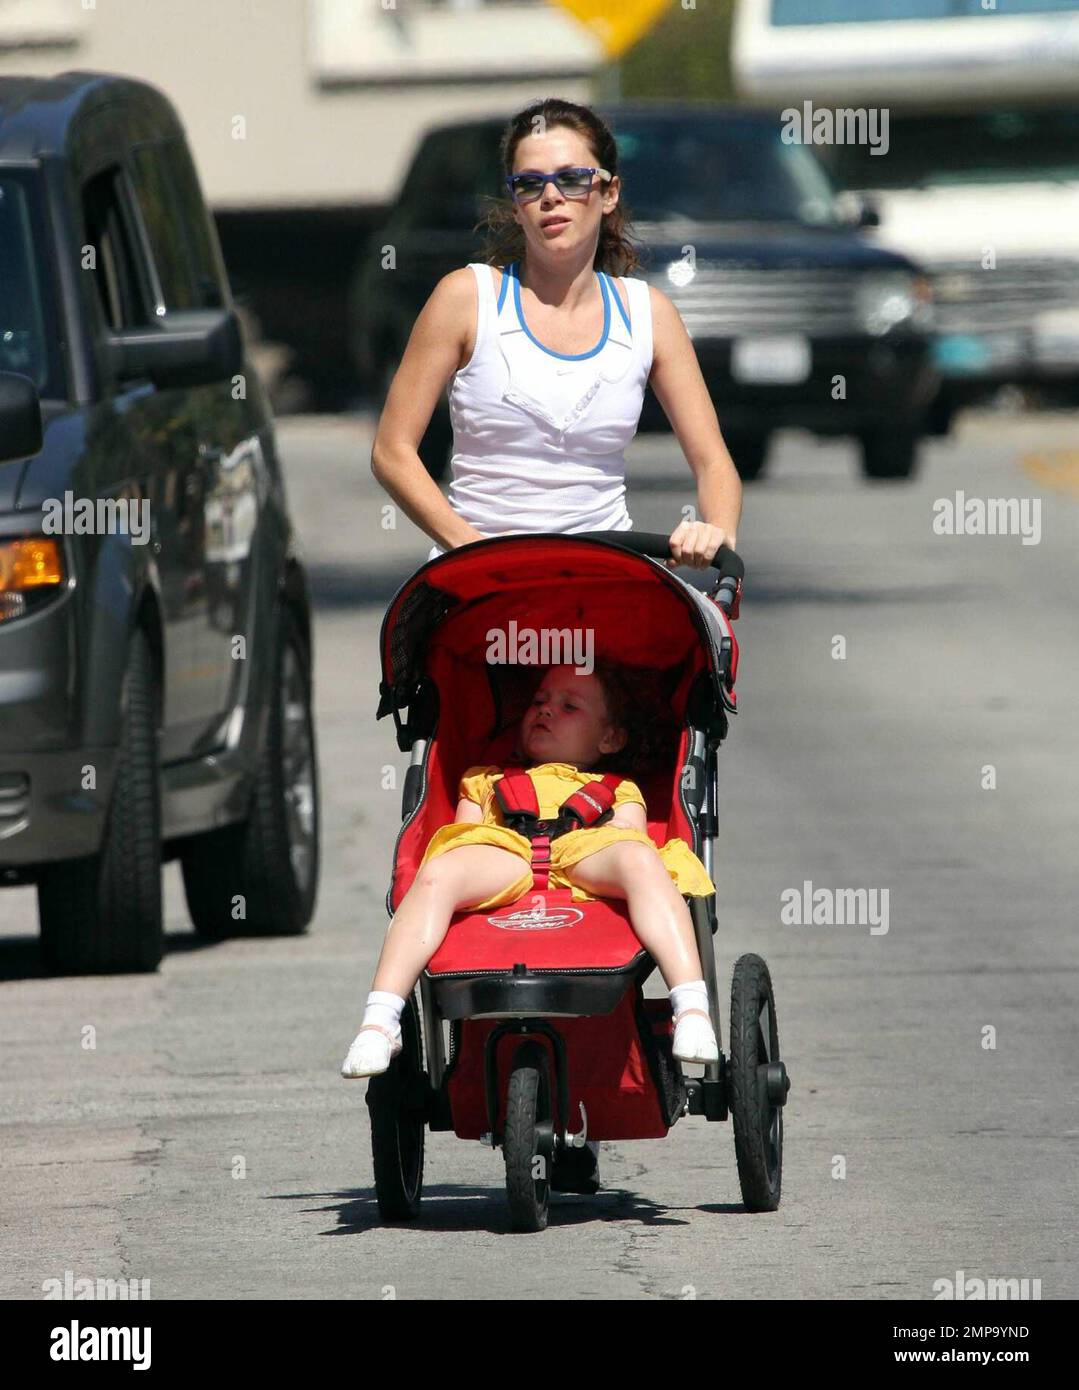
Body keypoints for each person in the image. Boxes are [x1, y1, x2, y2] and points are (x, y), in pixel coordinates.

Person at [368, 96, 742, 569]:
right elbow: (392, 450)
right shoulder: (466, 298)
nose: (551, 197)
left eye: (571, 179)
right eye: (529, 184)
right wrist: (470, 549)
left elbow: (714, 463)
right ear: (516, 203)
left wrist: (715, 535)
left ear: (608, 194)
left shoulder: (648, 315)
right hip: (477, 587)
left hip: (602, 580)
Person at [341, 660, 721, 1079]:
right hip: (506, 849)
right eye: (539, 701)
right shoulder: (484, 780)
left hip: (586, 848)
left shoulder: (618, 789)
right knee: (438, 872)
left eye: (569, 707)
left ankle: (691, 1007)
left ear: (610, 738)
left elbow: (628, 837)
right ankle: (380, 1018)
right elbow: (464, 836)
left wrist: (624, 858)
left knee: (640, 860)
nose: (545, 710)